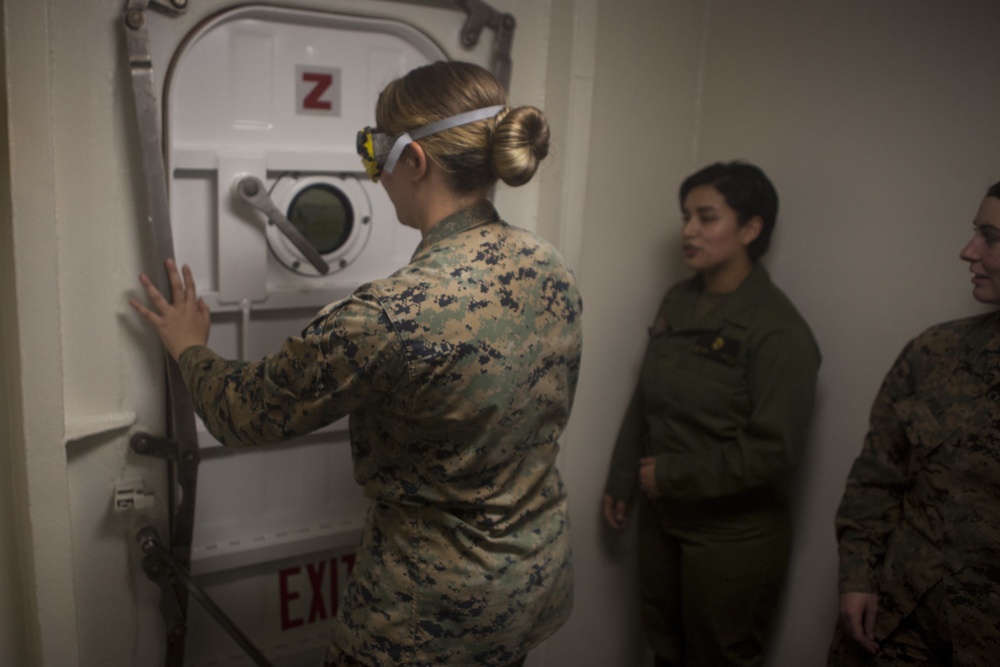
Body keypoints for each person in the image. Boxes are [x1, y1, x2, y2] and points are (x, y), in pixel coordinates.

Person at [131, 61, 582, 667]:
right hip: (530, 583)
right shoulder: (546, 263)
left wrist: (189, 344)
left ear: (415, 160)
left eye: (375, 150)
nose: (373, 171)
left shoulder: (390, 314)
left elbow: (243, 414)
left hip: (428, 619)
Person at [602, 161, 821, 666]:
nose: (688, 231)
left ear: (750, 229)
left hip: (731, 538)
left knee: (720, 657)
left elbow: (774, 450)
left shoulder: (778, 331)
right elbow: (648, 395)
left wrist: (671, 474)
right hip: (665, 519)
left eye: (706, 218)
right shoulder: (679, 300)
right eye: (686, 217)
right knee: (666, 649)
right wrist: (622, 477)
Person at [829, 180, 1000, 666]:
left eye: (992, 237)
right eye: (975, 232)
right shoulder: (934, 353)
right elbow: (875, 477)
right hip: (897, 623)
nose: (968, 251)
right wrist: (858, 576)